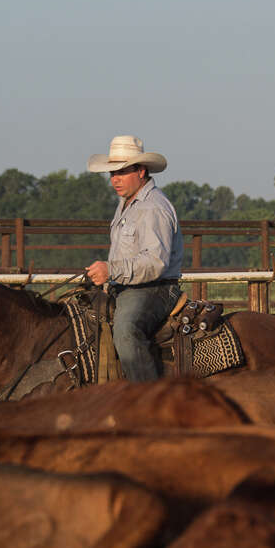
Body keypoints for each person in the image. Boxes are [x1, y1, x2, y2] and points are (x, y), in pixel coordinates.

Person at [84, 135, 184, 382]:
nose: (114, 179)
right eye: (112, 173)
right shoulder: (127, 203)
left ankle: (147, 400)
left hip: (155, 289)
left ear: (141, 171)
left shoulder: (152, 207)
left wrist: (111, 270)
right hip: (129, 287)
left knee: (126, 331)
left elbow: (155, 263)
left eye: (122, 172)